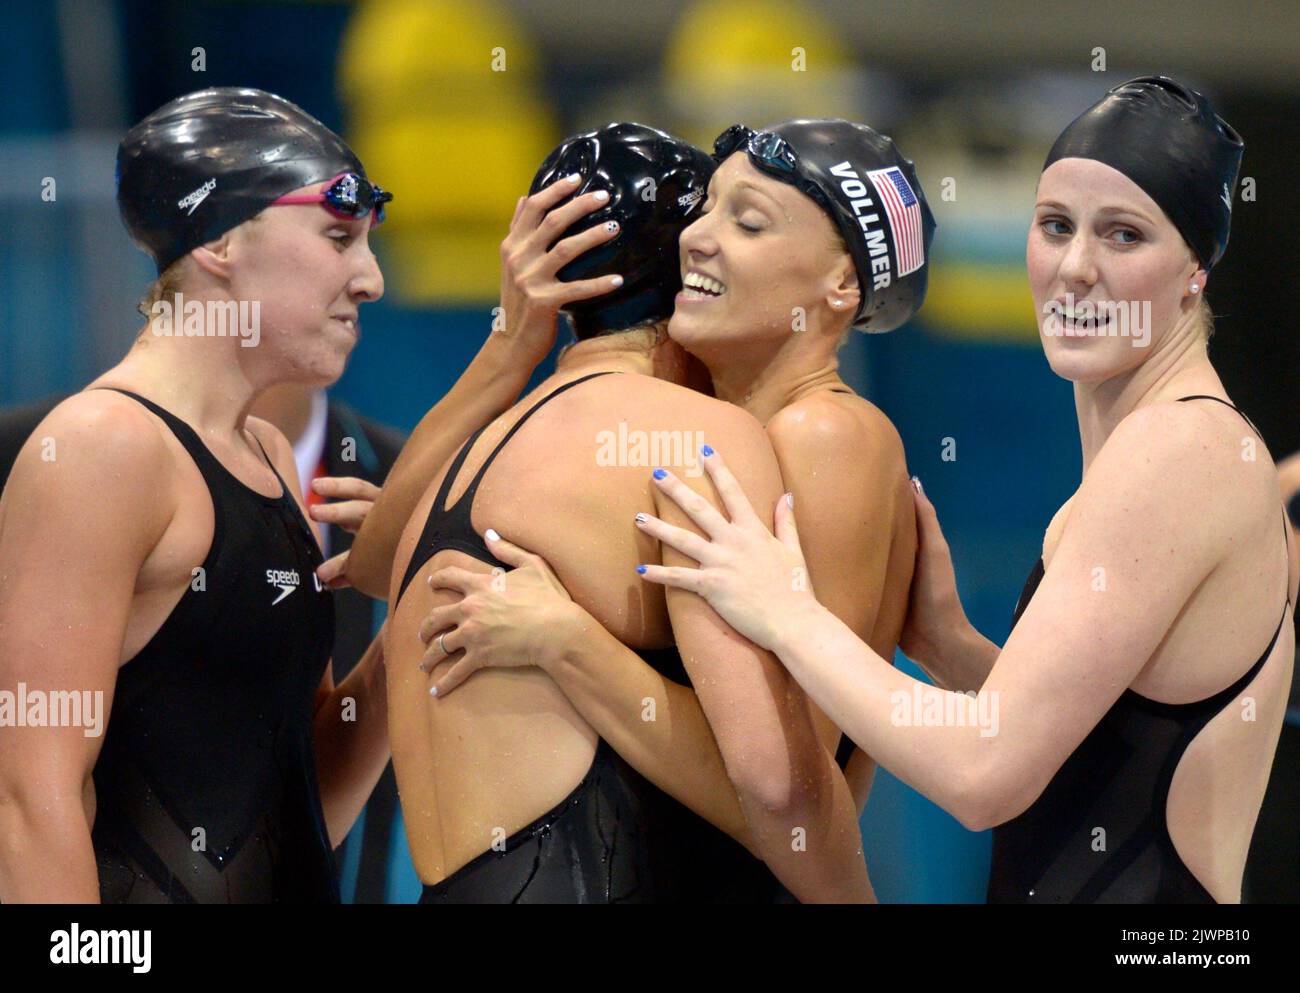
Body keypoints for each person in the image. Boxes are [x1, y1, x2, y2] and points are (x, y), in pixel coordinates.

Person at [620, 77, 1295, 904]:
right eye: (1055, 227)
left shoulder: (1181, 449)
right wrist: (950, 648)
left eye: (1124, 235)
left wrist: (782, 608)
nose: (1076, 268)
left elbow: (983, 772)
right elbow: (1093, 757)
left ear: (1196, 268)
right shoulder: (1166, 446)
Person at [414, 119, 934, 900]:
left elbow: (791, 789)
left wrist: (571, 643)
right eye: (707, 210)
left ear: (841, 289)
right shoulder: (738, 428)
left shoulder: (822, 431)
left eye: (748, 220)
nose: (697, 238)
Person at [0, 87, 397, 902]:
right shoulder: (102, 448)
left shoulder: (270, 456)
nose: (372, 280)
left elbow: (302, 797)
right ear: (220, 241)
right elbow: (30, 800)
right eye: (338, 238)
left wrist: (414, 617)